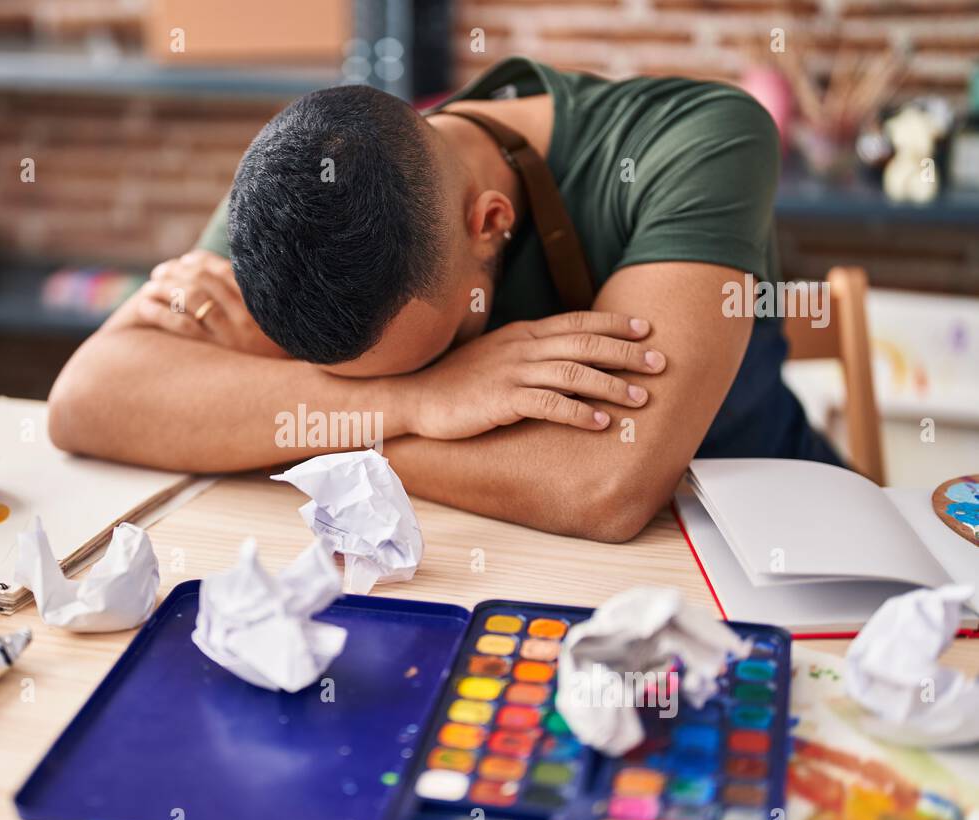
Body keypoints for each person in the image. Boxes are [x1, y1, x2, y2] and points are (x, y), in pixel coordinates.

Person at [49, 56, 841, 542]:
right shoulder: (314, 174)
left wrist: (269, 421)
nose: (378, 391)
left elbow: (601, 485)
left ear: (490, 224)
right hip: (512, 565)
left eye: (421, 358)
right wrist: (422, 397)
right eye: (345, 376)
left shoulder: (701, 140)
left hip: (769, 550)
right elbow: (89, 398)